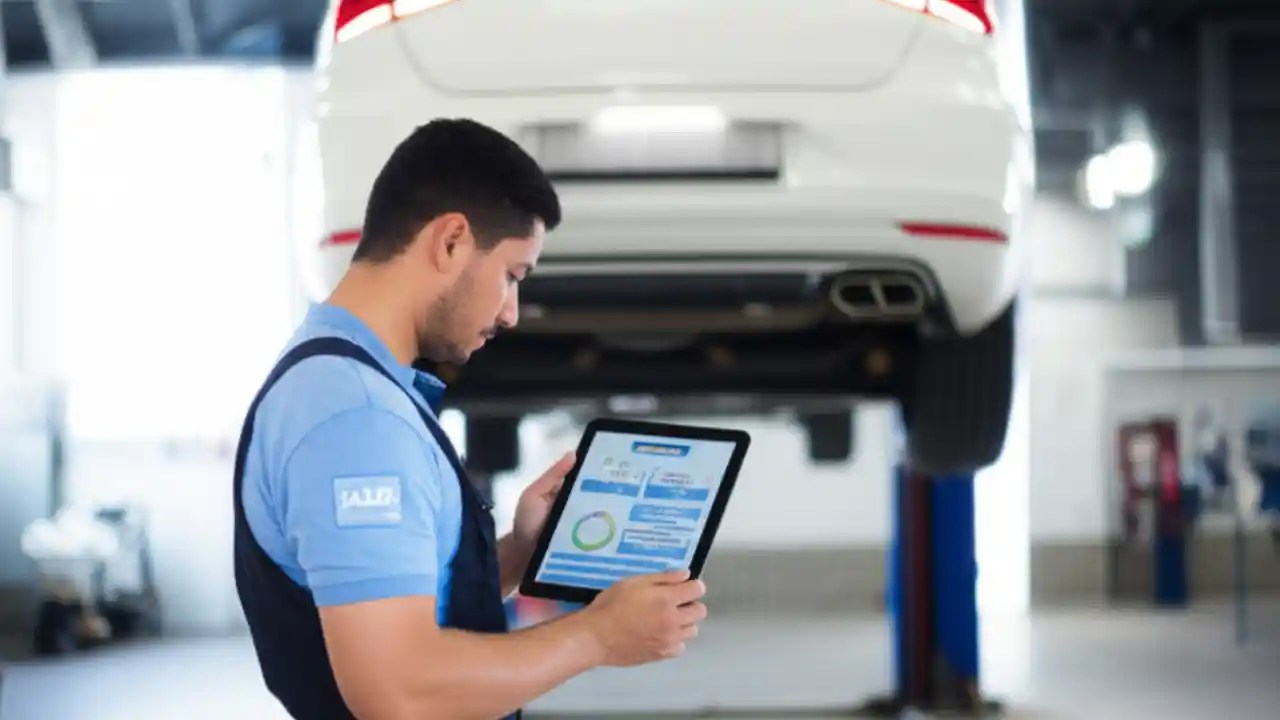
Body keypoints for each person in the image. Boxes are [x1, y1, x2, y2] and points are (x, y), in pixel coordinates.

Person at [233, 118, 708, 719]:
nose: (512, 313)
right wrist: (598, 636)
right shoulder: (357, 417)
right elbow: (398, 691)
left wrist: (521, 553)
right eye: (512, 275)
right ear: (452, 240)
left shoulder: (346, 384)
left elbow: (402, 597)